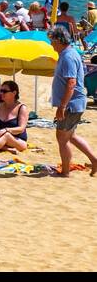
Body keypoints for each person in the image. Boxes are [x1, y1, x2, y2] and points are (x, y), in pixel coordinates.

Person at [49, 28, 97, 177]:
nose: (51, 44)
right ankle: (95, 160)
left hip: (72, 103)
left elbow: (71, 83)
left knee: (62, 138)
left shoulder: (68, 56)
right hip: (74, 102)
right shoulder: (68, 53)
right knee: (71, 136)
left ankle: (65, 172)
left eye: (52, 41)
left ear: (58, 40)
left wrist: (62, 106)